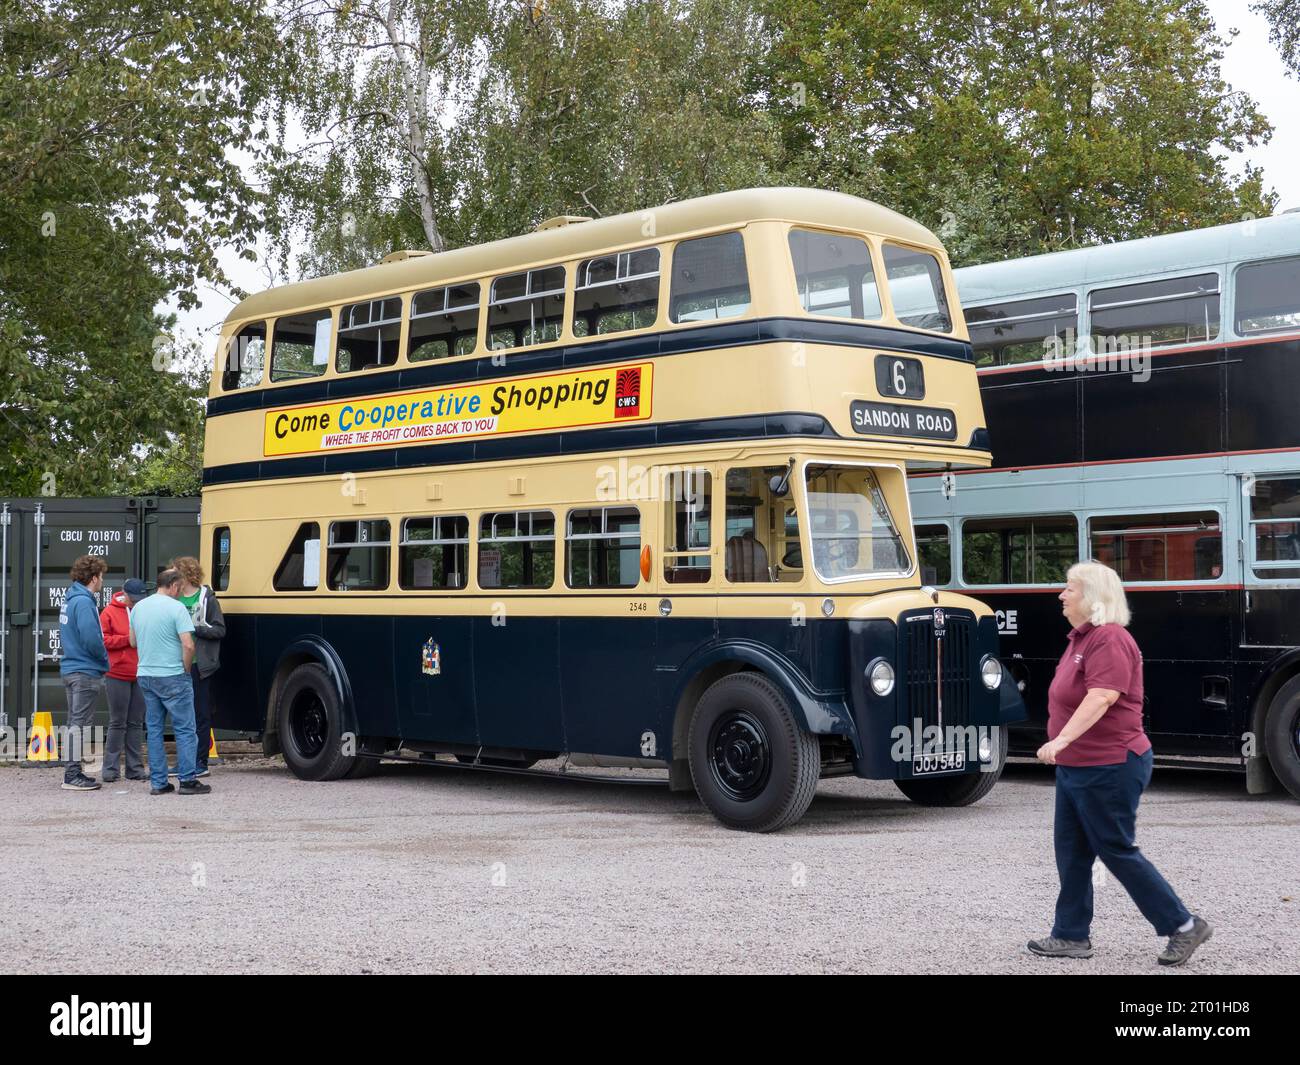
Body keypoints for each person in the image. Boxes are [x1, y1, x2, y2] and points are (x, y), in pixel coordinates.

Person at [1028, 560, 1210, 967]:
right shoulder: (1081, 638)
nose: (1061, 594)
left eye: (1069, 588)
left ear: (1092, 597)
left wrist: (1061, 740)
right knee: (1072, 851)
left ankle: (1183, 926)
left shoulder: (1109, 639)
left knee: (1115, 849)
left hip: (1110, 763)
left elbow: (1102, 696)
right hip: (1080, 766)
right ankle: (1070, 935)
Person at [130, 568, 210, 796]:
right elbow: (188, 644)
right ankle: (187, 780)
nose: (181, 592)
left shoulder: (139, 607)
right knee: (185, 729)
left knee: (154, 730)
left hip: (146, 675)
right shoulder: (177, 608)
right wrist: (186, 669)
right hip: (173, 675)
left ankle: (158, 783)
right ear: (174, 586)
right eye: (180, 588)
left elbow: (133, 641)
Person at [169, 556, 225, 777]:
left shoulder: (206, 598)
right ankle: (184, 761)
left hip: (199, 666)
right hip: (176, 665)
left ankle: (200, 761)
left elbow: (220, 630)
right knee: (181, 715)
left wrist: (196, 628)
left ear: (186, 575)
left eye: (175, 574)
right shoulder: (172, 598)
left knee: (200, 714)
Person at [58, 555, 110, 791]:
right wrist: (103, 659)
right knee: (79, 724)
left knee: (73, 722)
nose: (102, 581)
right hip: (85, 670)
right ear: (94, 577)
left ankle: (72, 771)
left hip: (71, 668)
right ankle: (72, 774)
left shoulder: (70, 599)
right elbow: (91, 638)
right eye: (101, 577)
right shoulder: (84, 602)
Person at [99, 577, 149, 782]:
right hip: (117, 673)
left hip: (140, 672)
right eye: (133, 599)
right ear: (124, 593)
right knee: (118, 722)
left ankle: (134, 769)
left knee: (136, 723)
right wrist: (127, 640)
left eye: (139, 599)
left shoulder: (144, 609)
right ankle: (110, 770)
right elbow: (102, 640)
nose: (135, 603)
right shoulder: (109, 612)